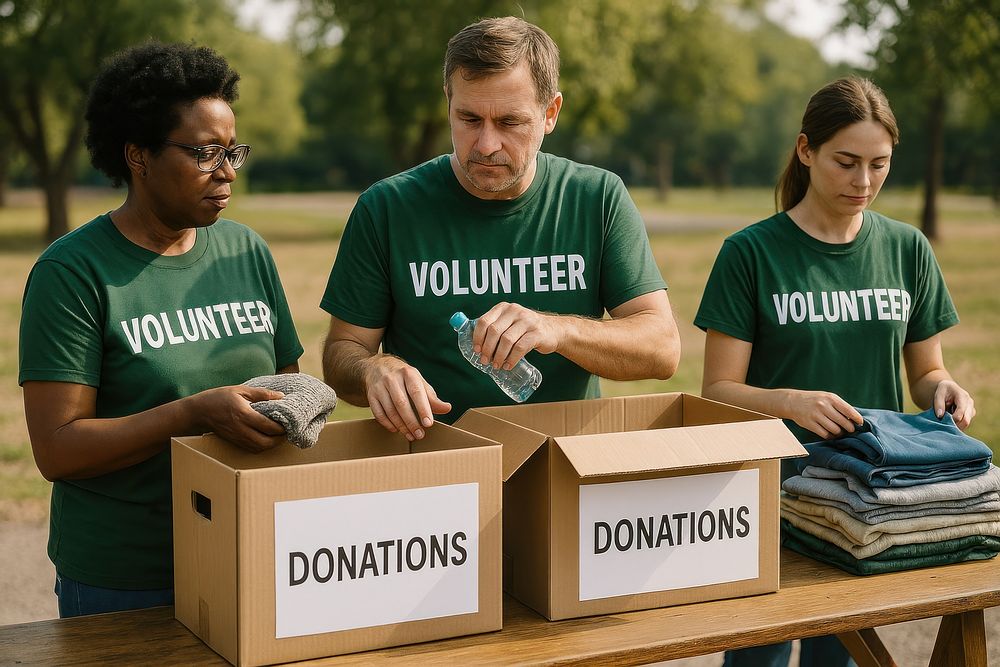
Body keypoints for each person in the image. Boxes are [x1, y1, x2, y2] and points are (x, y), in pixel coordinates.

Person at [694, 77, 975, 667]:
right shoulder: (751, 253)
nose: (864, 182)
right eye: (846, 162)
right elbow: (717, 392)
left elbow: (926, 370)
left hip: (866, 505)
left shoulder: (908, 249)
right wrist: (792, 403)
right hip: (771, 501)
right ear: (806, 151)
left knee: (842, 658)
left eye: (879, 165)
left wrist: (943, 388)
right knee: (757, 658)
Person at [18, 42, 304, 618]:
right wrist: (193, 413)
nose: (226, 173)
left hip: (246, 548)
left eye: (232, 152)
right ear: (138, 156)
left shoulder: (246, 251)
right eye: (203, 153)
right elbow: (58, 449)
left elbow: (284, 383)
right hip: (126, 579)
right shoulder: (73, 272)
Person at [321, 16, 679, 436]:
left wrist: (557, 329)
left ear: (550, 113)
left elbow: (662, 349)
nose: (487, 145)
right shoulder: (387, 207)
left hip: (562, 465)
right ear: (448, 102)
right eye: (469, 119)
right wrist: (373, 369)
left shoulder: (596, 197)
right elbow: (341, 353)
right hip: (435, 466)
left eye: (510, 122)